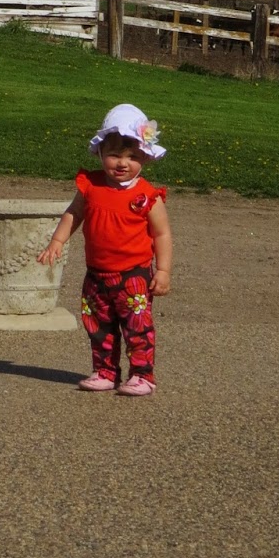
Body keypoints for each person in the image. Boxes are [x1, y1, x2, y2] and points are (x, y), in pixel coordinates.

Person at [38, 103, 172, 397]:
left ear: (145, 159)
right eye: (114, 155)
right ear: (99, 153)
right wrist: (57, 241)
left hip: (133, 276)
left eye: (132, 157)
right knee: (98, 326)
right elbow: (73, 213)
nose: (123, 163)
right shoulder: (91, 186)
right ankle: (105, 371)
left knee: (137, 327)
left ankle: (143, 375)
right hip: (97, 275)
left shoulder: (147, 196)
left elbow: (161, 234)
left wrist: (162, 270)